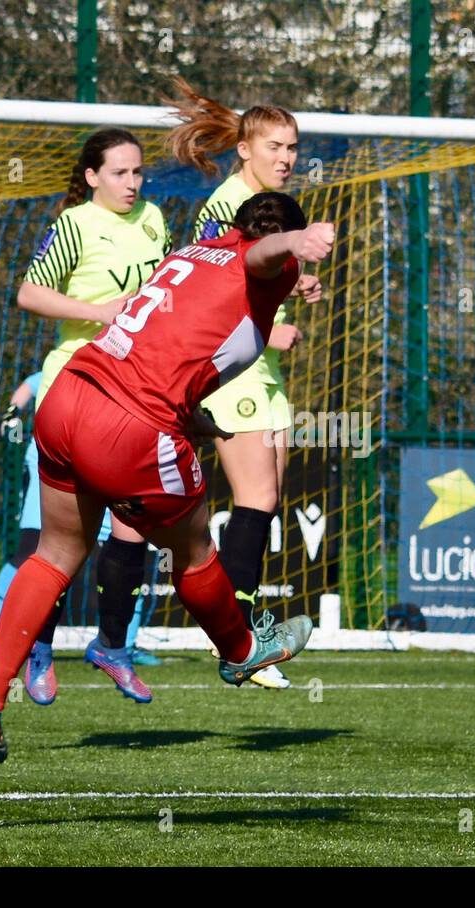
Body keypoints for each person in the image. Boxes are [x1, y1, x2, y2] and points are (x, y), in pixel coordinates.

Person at [0, 192, 335, 762]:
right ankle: (242, 651)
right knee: (192, 550)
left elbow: (168, 344)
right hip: (131, 427)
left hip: (67, 398)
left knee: (55, 554)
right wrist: (296, 246)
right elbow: (260, 257)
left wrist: (192, 416)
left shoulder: (195, 252)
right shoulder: (268, 262)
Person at [165, 78, 323, 690]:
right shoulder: (231, 204)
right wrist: (267, 328)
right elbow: (203, 283)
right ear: (245, 150)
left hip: (260, 365)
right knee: (255, 498)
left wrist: (296, 288)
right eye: (274, 146)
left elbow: (258, 274)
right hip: (234, 366)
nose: (285, 157)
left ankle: (239, 630)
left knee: (266, 497)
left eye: (292, 146)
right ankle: (235, 641)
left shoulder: (268, 209)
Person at [13, 127, 171, 703]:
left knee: (134, 527)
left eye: (138, 173)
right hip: (74, 392)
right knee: (59, 539)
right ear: (91, 177)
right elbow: (30, 294)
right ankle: (38, 647)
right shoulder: (75, 225)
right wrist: (98, 312)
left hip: (135, 394)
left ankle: (111, 645)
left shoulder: (154, 218)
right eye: (120, 173)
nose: (132, 183)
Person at [0, 374, 161, 707]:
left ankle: (118, 646)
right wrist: (12, 410)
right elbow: (31, 382)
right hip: (63, 437)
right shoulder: (77, 350)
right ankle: (6, 641)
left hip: (124, 434)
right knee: (41, 550)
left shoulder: (141, 342)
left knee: (131, 542)